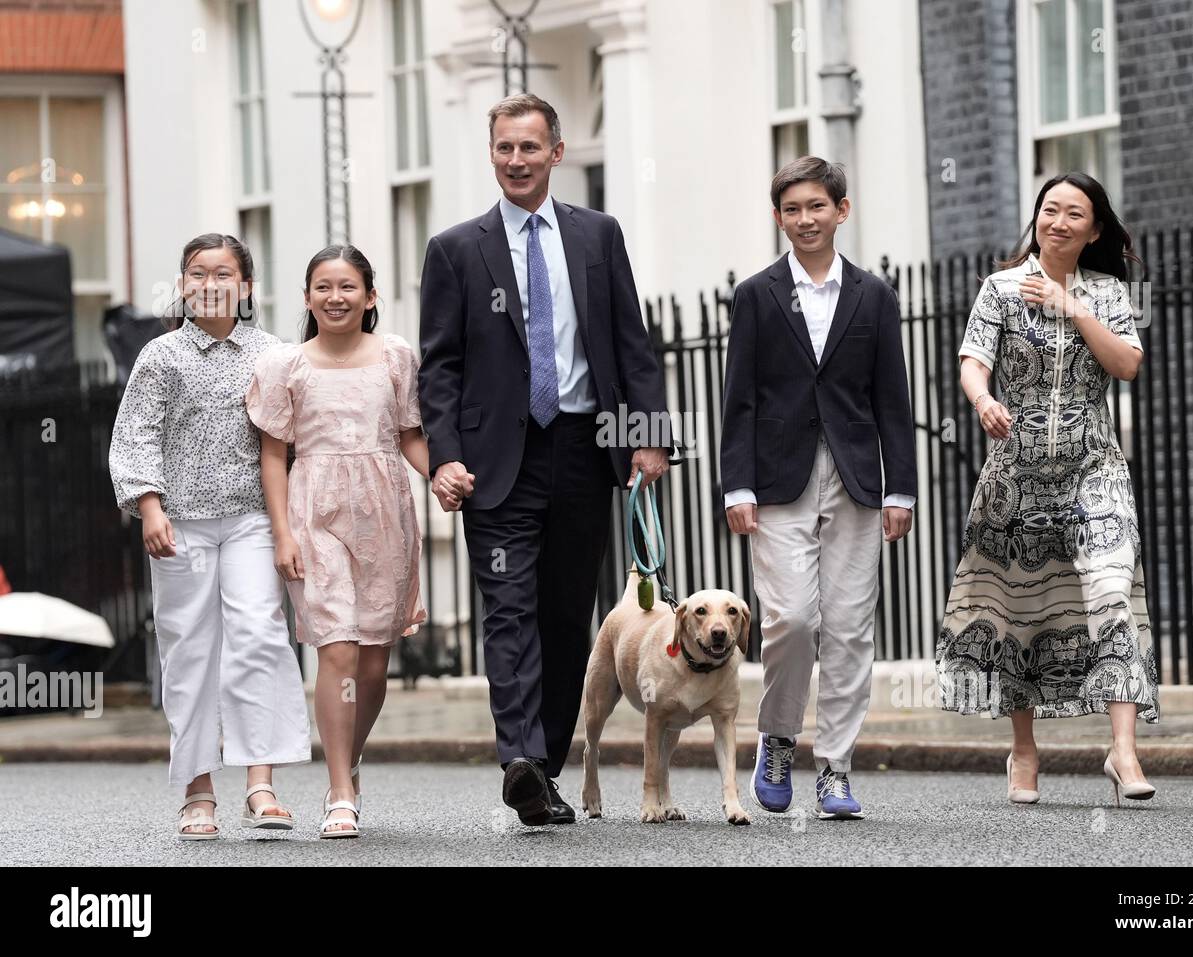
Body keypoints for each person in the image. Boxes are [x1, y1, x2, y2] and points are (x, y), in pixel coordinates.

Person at [418, 93, 670, 825]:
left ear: (557, 152)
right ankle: (520, 755)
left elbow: (632, 340)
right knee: (509, 611)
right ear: (492, 154)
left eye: (530, 147)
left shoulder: (598, 235)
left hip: (585, 450)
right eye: (505, 149)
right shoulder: (457, 250)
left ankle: (544, 768)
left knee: (565, 617)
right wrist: (445, 456)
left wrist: (648, 432)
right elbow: (440, 367)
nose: (517, 160)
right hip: (499, 461)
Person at [935, 171, 1159, 806]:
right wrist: (982, 400)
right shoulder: (1000, 289)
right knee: (1021, 610)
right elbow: (973, 360)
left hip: (1095, 466)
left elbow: (1127, 365)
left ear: (1093, 230)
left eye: (1074, 213)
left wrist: (1076, 309)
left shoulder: (1112, 292)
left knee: (1112, 590)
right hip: (1017, 470)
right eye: (1049, 210)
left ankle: (1123, 750)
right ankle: (1025, 751)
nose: (1059, 221)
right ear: (1037, 218)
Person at [721, 156, 917, 820]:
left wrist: (902, 490)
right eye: (792, 209)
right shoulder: (755, 294)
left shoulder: (876, 295)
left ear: (842, 210)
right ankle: (777, 737)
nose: (805, 219)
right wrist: (735, 485)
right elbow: (738, 399)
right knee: (793, 619)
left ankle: (835, 765)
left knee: (851, 627)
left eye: (817, 206)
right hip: (778, 479)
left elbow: (894, 398)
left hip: (858, 478)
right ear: (778, 217)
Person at [109, 233, 311, 839]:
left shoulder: (273, 354)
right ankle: (198, 791)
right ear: (182, 285)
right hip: (181, 526)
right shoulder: (160, 356)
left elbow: (292, 441)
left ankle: (260, 783)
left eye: (224, 273)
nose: (210, 283)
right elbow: (135, 435)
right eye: (197, 273)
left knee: (259, 636)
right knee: (190, 650)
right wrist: (149, 507)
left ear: (246, 287)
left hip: (252, 520)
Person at [247, 244, 428, 838]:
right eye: (322, 287)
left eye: (347, 287)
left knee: (374, 662)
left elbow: (409, 436)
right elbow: (274, 457)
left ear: (370, 297)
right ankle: (340, 790)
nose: (335, 297)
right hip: (313, 512)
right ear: (307, 298)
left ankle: (350, 754)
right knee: (338, 649)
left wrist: (447, 476)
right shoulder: (285, 366)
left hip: (384, 515)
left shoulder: (397, 356)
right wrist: (282, 534)